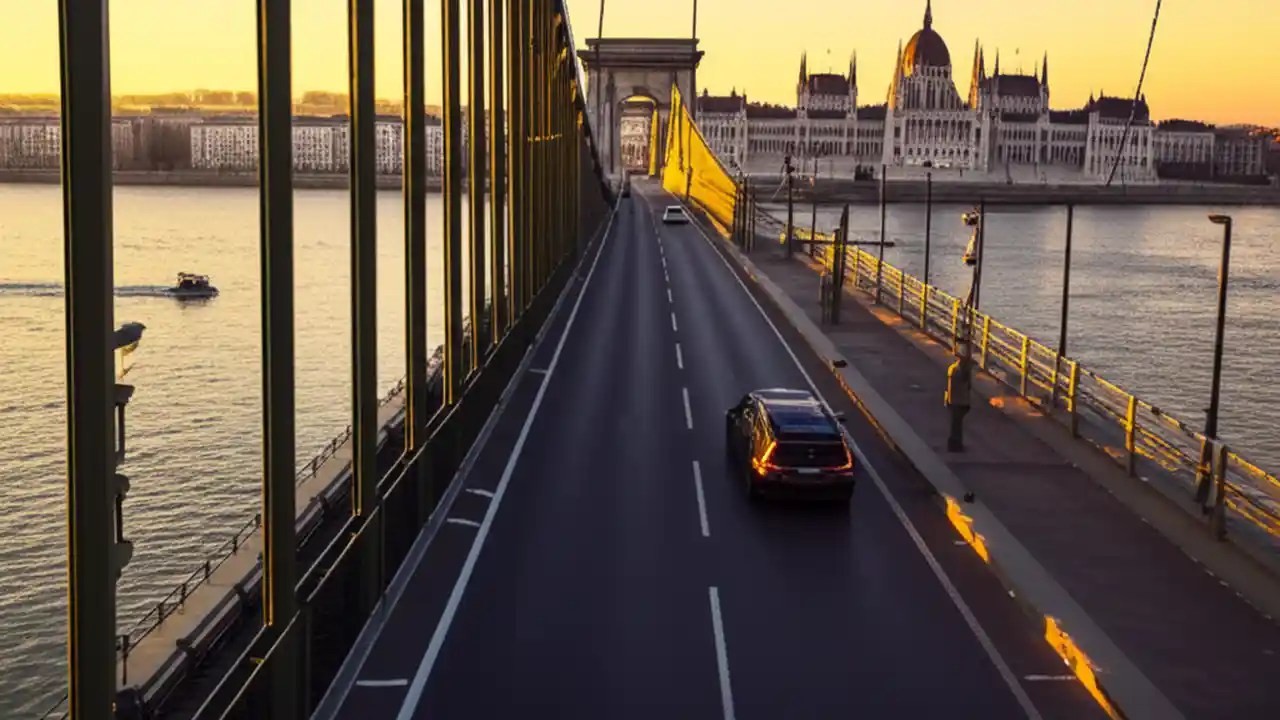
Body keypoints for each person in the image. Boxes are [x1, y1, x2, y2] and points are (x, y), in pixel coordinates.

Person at [945, 352, 973, 452]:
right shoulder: (965, 373)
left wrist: (947, 399)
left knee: (955, 424)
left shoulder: (952, 369)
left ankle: (954, 444)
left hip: (953, 400)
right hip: (962, 401)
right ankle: (956, 445)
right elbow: (968, 387)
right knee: (958, 425)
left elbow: (948, 387)